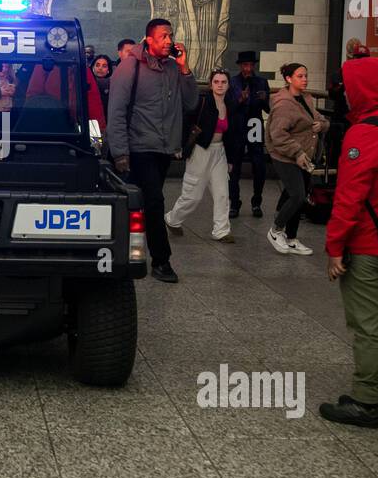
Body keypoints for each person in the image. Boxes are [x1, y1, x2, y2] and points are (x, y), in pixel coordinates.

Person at [318, 56, 378, 429]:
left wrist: (335, 246)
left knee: (367, 324)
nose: (346, 94)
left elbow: (350, 195)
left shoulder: (365, 133)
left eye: (350, 86)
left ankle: (365, 400)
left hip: (366, 241)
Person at [106, 18, 198, 283]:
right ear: (149, 39)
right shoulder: (129, 67)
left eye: (170, 36)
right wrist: (121, 152)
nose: (169, 41)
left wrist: (184, 70)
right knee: (155, 202)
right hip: (138, 147)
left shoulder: (172, 68)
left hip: (164, 148)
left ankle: (126, 250)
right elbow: (116, 111)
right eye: (163, 37)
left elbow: (191, 104)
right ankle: (161, 260)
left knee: (143, 202)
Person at [264, 62, 329, 256]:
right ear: (288, 79)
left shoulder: (306, 99)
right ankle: (276, 230)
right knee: (298, 195)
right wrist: (297, 152)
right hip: (286, 156)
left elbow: (320, 119)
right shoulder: (284, 104)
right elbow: (278, 135)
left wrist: (322, 125)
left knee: (298, 198)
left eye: (306, 75)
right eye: (300, 76)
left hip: (305, 155)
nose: (305, 79)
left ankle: (291, 238)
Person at [165, 68, 236, 242]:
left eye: (223, 82)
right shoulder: (202, 101)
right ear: (211, 84)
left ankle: (221, 230)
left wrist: (231, 159)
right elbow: (186, 121)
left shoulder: (231, 104)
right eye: (216, 82)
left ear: (228, 84)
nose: (220, 85)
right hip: (200, 151)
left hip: (219, 152)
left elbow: (234, 133)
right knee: (193, 195)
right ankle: (172, 219)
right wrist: (179, 145)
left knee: (222, 193)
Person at [226, 50, 271, 218]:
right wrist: (240, 100)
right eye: (245, 65)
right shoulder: (232, 82)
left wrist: (264, 99)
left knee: (259, 165)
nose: (248, 68)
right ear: (240, 65)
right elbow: (229, 108)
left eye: (251, 65)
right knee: (234, 168)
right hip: (237, 128)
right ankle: (234, 203)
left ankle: (256, 202)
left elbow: (268, 109)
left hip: (255, 126)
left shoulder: (262, 82)